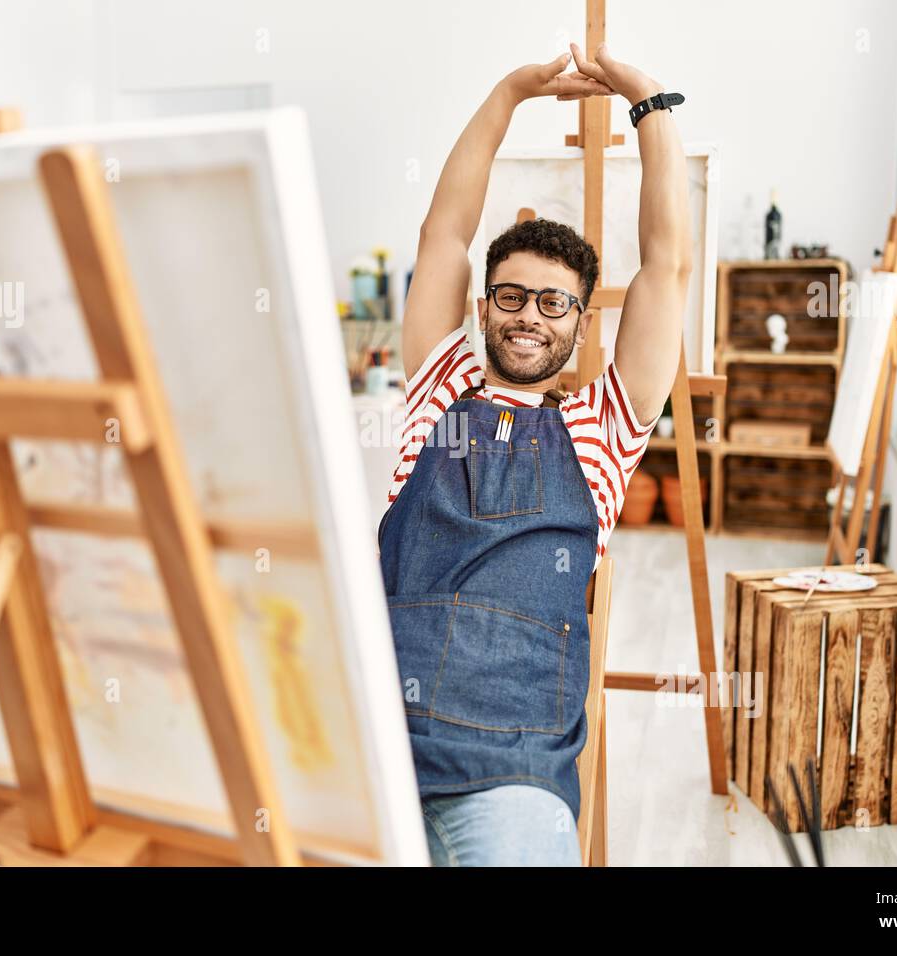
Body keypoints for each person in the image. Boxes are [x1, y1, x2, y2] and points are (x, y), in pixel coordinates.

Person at [378, 42, 691, 866]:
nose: (530, 316)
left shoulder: (602, 433)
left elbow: (668, 267)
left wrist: (651, 106)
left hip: (510, 770)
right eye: (512, 297)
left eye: (556, 303)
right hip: (371, 734)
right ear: (485, 307)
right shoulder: (438, 391)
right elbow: (443, 230)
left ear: (581, 324)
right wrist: (508, 93)